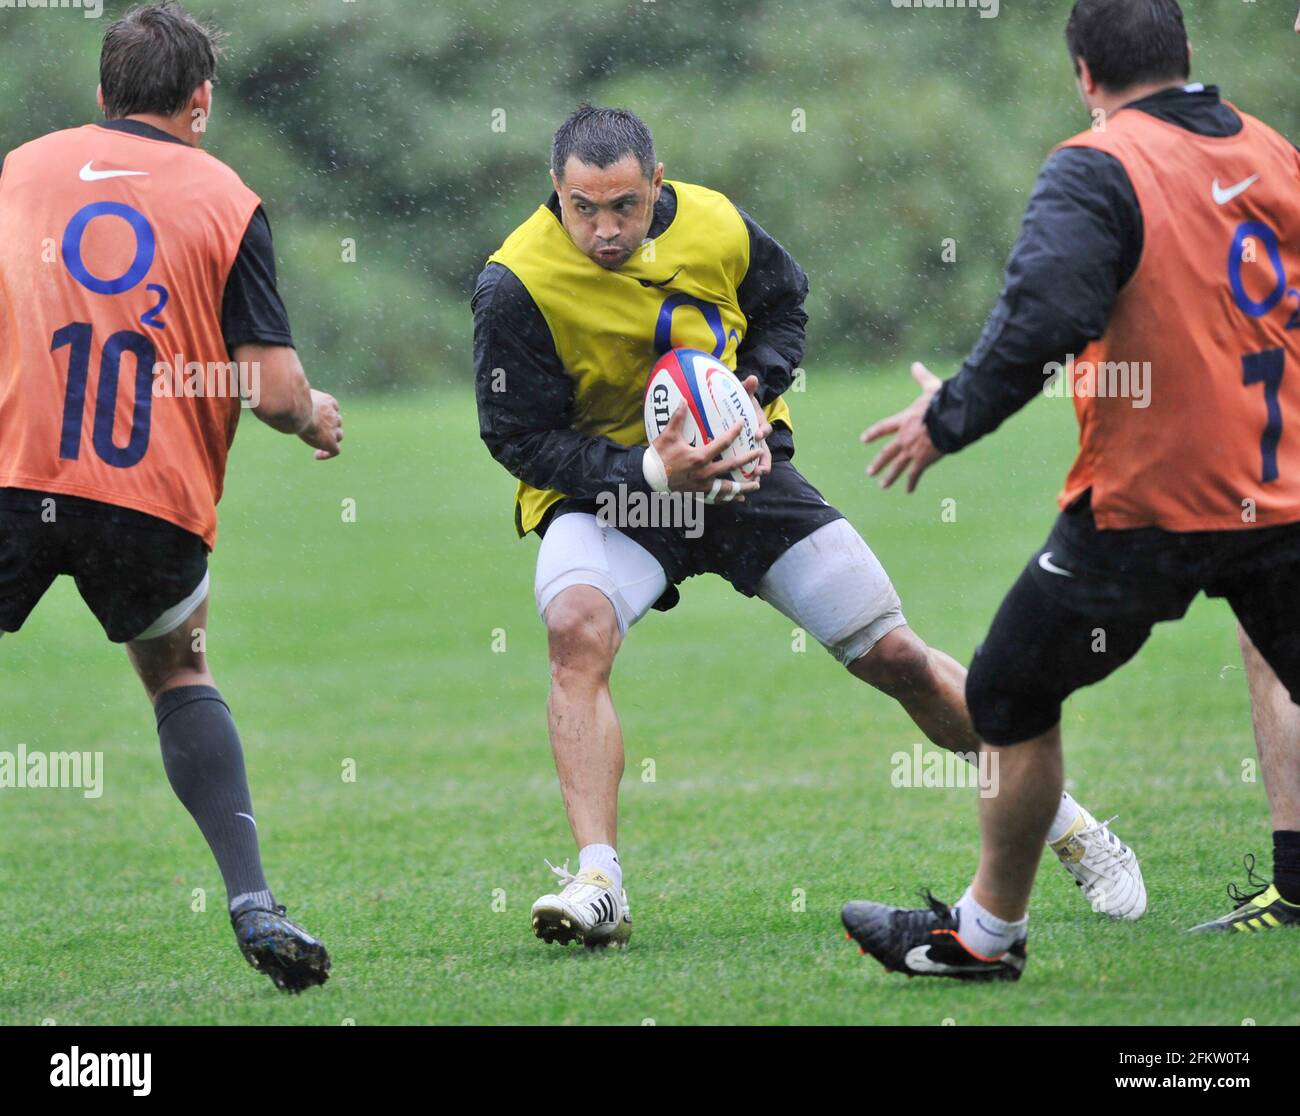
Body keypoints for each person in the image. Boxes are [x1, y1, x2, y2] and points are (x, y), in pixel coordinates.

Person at [474, 105, 1144, 951]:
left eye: (624, 207)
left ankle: (1070, 824)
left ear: (657, 182)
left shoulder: (715, 222)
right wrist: (650, 473)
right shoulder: (515, 281)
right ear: (555, 193)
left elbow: (784, 304)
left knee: (896, 656)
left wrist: (753, 385)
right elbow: (516, 437)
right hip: (616, 494)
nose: (605, 230)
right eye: (583, 208)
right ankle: (599, 879)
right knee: (575, 630)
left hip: (746, 475)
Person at [845, 0, 1300, 982]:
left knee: (1007, 690)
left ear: (1083, 75)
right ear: (1185, 58)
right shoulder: (1272, 151)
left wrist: (946, 417)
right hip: (1284, 493)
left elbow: (1046, 312)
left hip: (1153, 505)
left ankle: (981, 937)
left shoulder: (1098, 162)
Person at [0, 2, 342, 992]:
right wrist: (313, 414)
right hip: (144, 498)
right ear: (200, 101)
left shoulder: (20, 171)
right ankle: (252, 902)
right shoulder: (225, 198)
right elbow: (271, 391)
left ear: (103, 93)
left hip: (15, 477)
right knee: (179, 673)